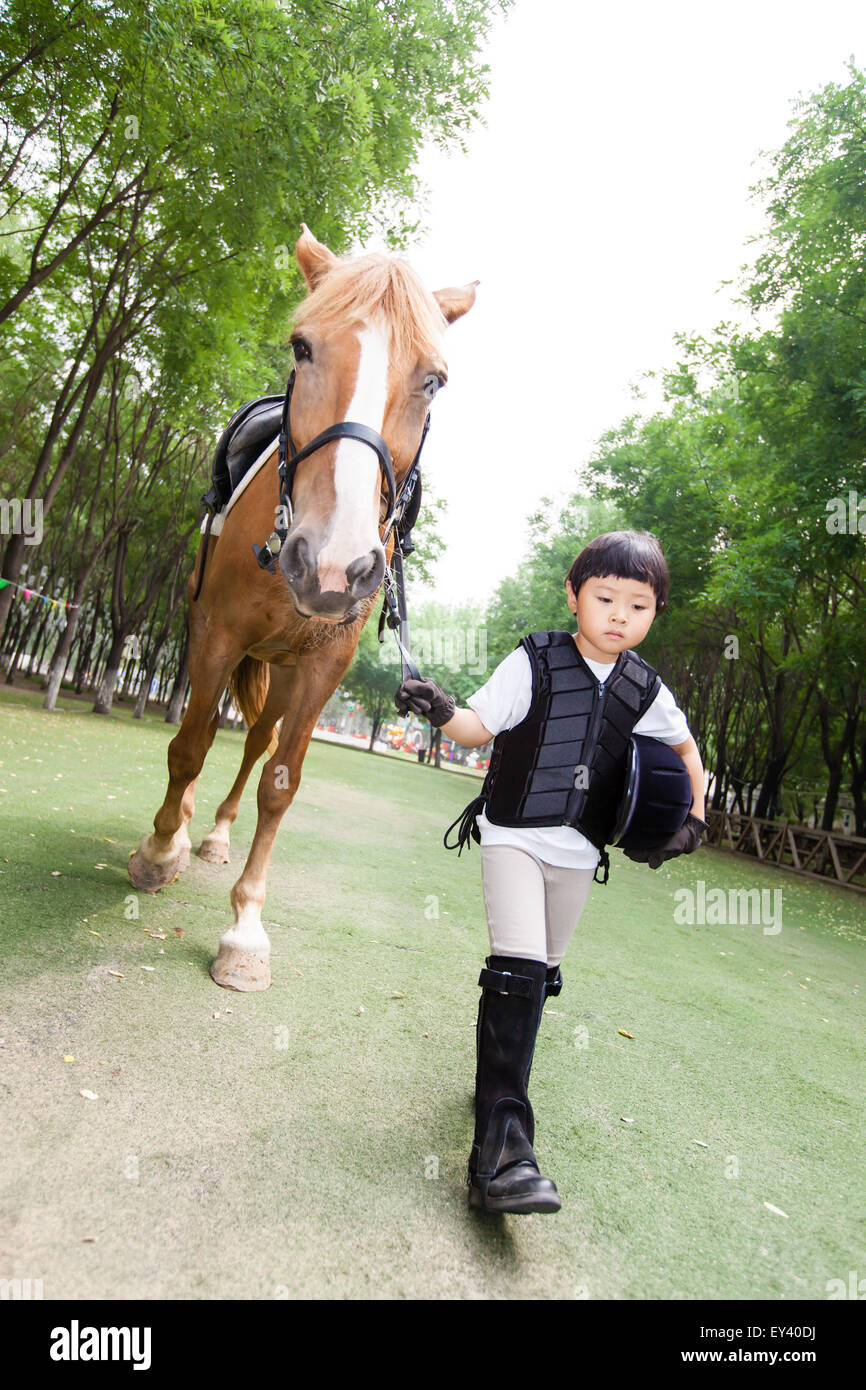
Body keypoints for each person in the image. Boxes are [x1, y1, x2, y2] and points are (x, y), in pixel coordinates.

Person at [394, 530, 707, 1215]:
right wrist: (440, 706)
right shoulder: (535, 657)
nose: (620, 615)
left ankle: (494, 1082)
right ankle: (502, 1151)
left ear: (655, 613)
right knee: (518, 967)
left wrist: (695, 821)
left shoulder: (646, 690)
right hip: (513, 836)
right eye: (605, 598)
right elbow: (479, 727)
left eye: (639, 605)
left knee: (542, 976)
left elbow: (686, 751)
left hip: (579, 856)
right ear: (574, 597)